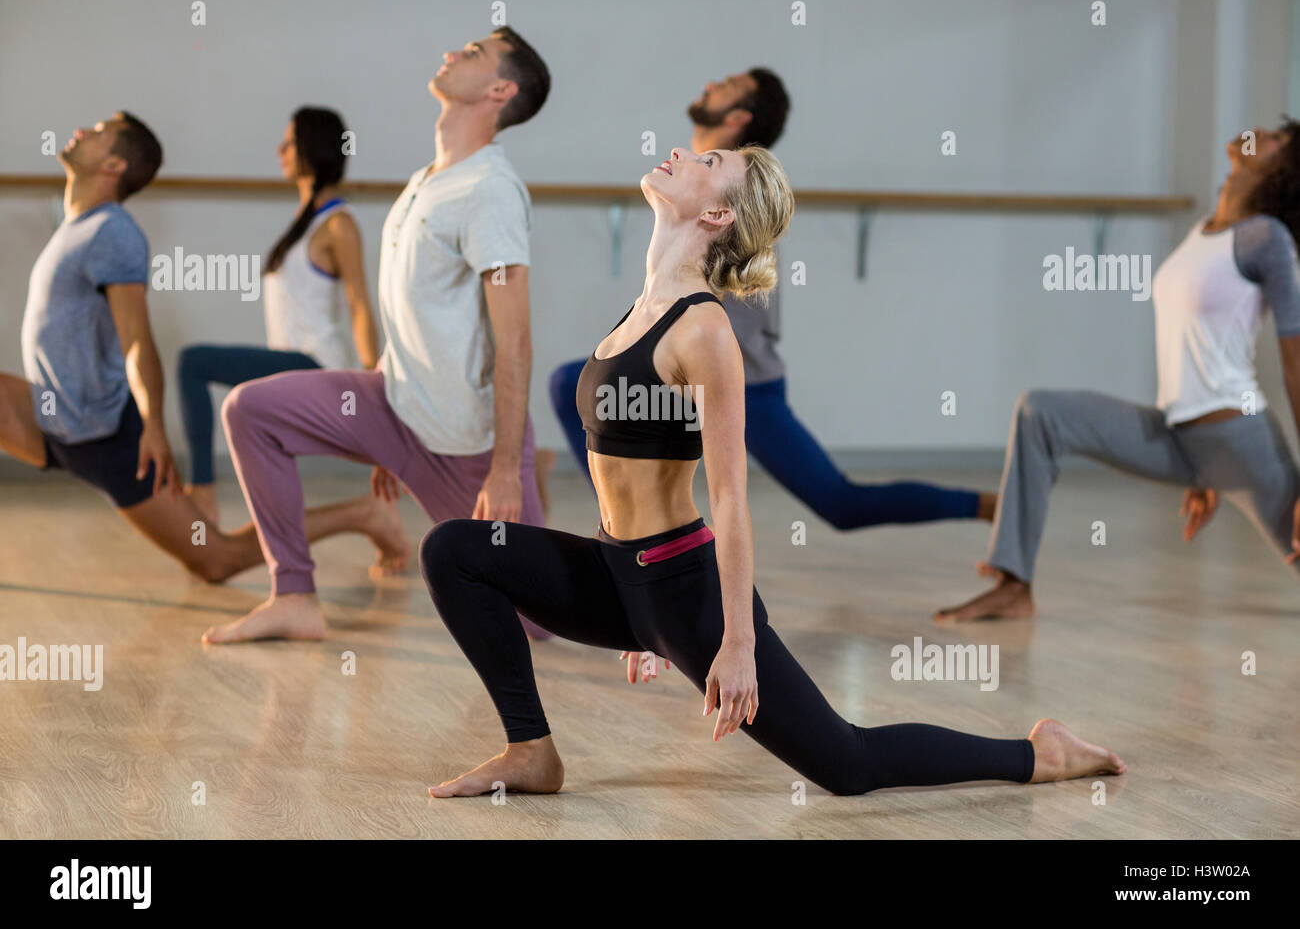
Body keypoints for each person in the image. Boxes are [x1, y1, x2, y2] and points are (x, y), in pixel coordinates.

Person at [419, 144, 1123, 797]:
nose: (683, 153)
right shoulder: (641, 310)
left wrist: (736, 642)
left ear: (717, 214)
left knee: (848, 766)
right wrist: (627, 612)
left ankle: (1040, 753)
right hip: (618, 575)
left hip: (683, 592)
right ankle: (532, 752)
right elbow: (622, 477)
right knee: (455, 549)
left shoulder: (704, 330)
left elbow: (728, 499)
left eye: (709, 160)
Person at [204, 27, 552, 644]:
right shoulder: (429, 179)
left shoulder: (489, 191)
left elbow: (515, 340)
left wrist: (504, 470)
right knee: (251, 411)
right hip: (393, 406)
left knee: (539, 622)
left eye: (473, 54)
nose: (452, 52)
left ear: (500, 90)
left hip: (464, 442)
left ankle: (657, 590)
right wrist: (379, 427)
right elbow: (415, 314)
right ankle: (294, 596)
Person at [546, 68, 994, 528]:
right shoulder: (683, 182)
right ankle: (623, 521)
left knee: (841, 504)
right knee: (570, 384)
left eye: (725, 87)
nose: (708, 85)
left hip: (747, 384)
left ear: (738, 116)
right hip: (686, 378)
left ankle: (985, 506)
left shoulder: (737, 198)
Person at [0, 112, 399, 584]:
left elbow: (137, 340)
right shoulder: (76, 228)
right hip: (52, 416)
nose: (82, 130)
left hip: (104, 434)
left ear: (113, 164)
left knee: (215, 559)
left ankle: (360, 514)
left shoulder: (113, 232)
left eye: (99, 132)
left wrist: (152, 425)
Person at [938, 120, 1300, 622]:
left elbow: (1294, 364)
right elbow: (1187, 345)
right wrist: (1198, 461)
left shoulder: (1270, 239)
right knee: (1041, 412)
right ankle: (1013, 582)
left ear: (1284, 170)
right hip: (1177, 436)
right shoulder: (1203, 231)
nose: (1261, 130)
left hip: (1240, 445)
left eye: (1279, 137)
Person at [178, 106, 381, 526]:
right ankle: (372, 522)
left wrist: (372, 382)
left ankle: (201, 493)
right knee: (259, 431)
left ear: (310, 149)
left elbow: (360, 303)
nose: (279, 151)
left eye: (288, 143)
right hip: (293, 362)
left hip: (316, 365)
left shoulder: (338, 224)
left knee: (193, 362)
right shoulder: (302, 222)